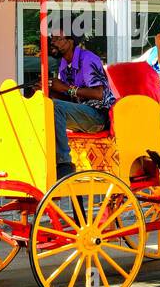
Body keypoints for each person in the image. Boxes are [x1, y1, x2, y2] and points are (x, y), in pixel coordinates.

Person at [47, 30, 116, 178]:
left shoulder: (88, 59)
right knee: (46, 105)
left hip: (99, 116)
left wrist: (65, 88)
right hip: (83, 114)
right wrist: (50, 90)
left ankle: (64, 164)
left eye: (58, 39)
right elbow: (69, 99)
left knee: (54, 106)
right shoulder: (65, 63)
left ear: (70, 41)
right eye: (52, 39)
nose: (53, 43)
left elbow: (98, 94)